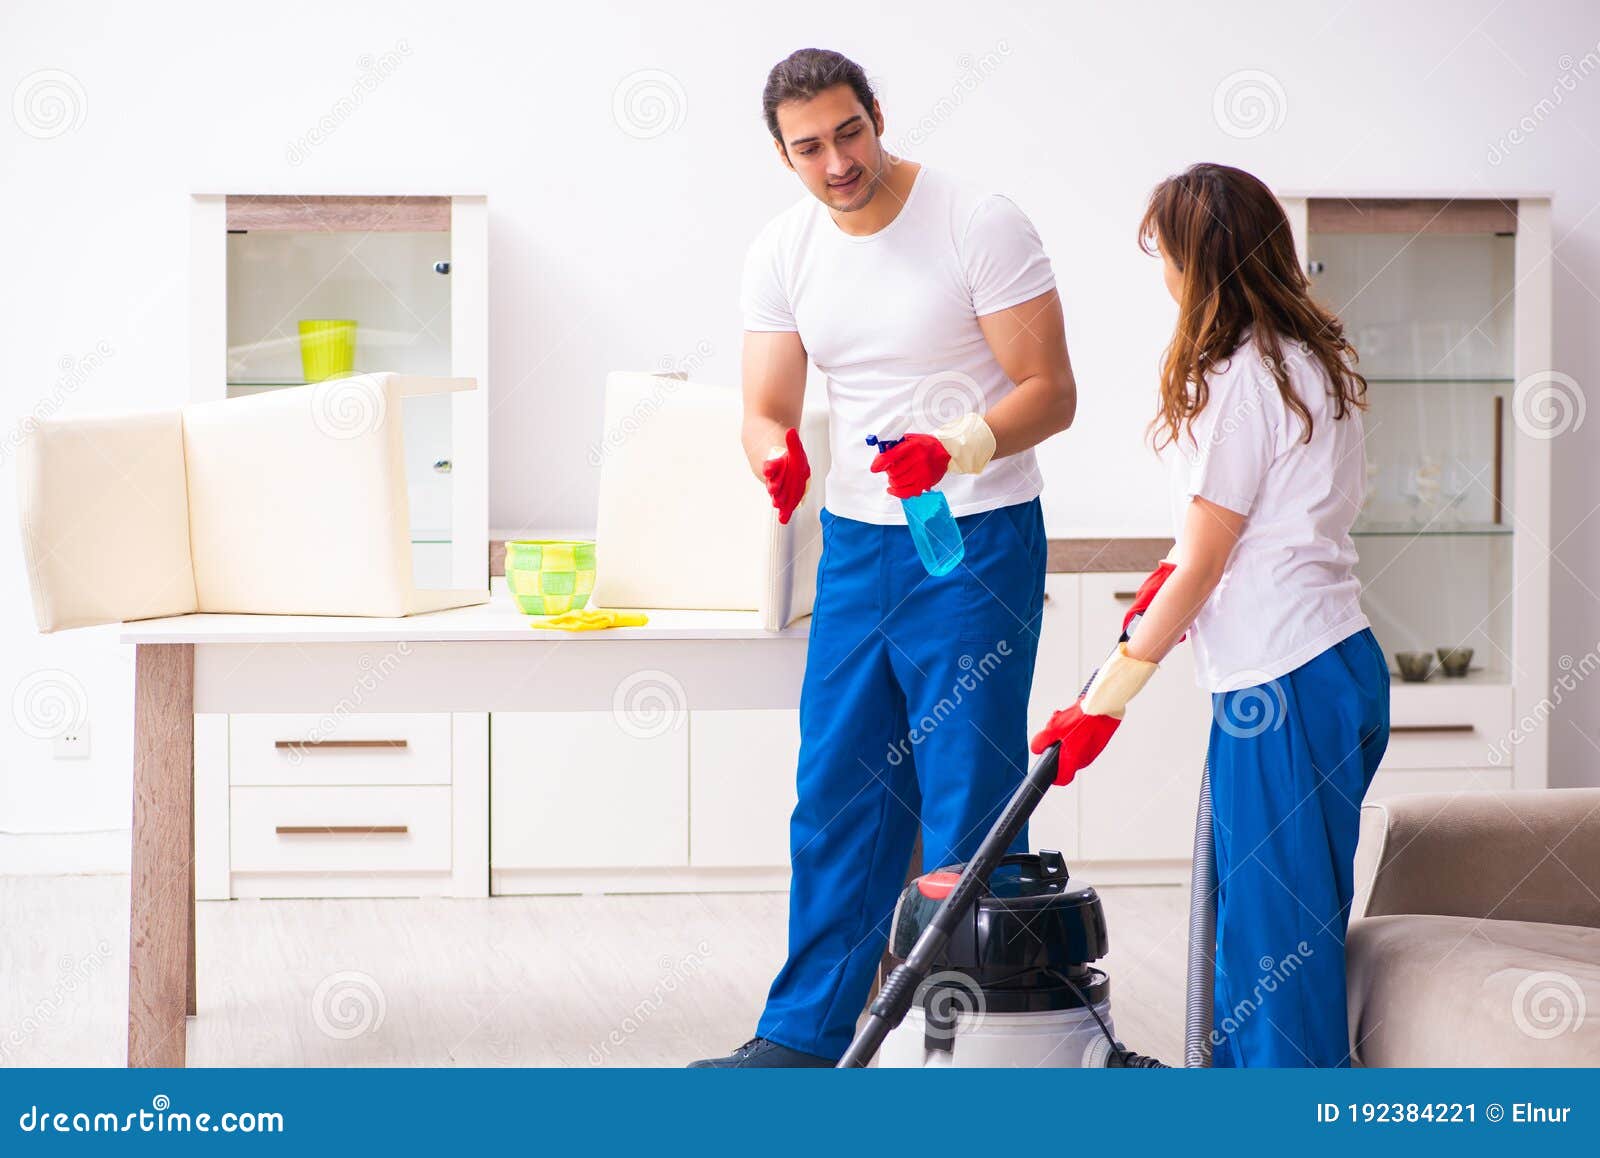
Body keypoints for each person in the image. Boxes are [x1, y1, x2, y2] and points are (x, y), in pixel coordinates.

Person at [689, 48, 1076, 1067]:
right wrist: (774, 457)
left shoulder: (975, 222)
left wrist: (954, 446)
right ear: (782, 154)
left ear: (877, 115)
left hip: (973, 538)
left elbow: (1051, 389)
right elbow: (765, 407)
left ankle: (963, 1045)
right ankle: (804, 1037)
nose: (837, 162)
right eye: (808, 147)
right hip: (858, 548)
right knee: (839, 788)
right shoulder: (782, 249)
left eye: (849, 133)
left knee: (967, 789)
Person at [1031, 163, 1390, 1068]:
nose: (1162, 275)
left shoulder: (1236, 380)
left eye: (1166, 255)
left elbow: (1207, 557)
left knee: (1275, 947)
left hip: (1281, 679)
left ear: (1201, 262)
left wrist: (1107, 697)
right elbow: (1251, 531)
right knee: (1273, 925)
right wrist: (1175, 579)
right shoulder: (1312, 359)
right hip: (1332, 665)